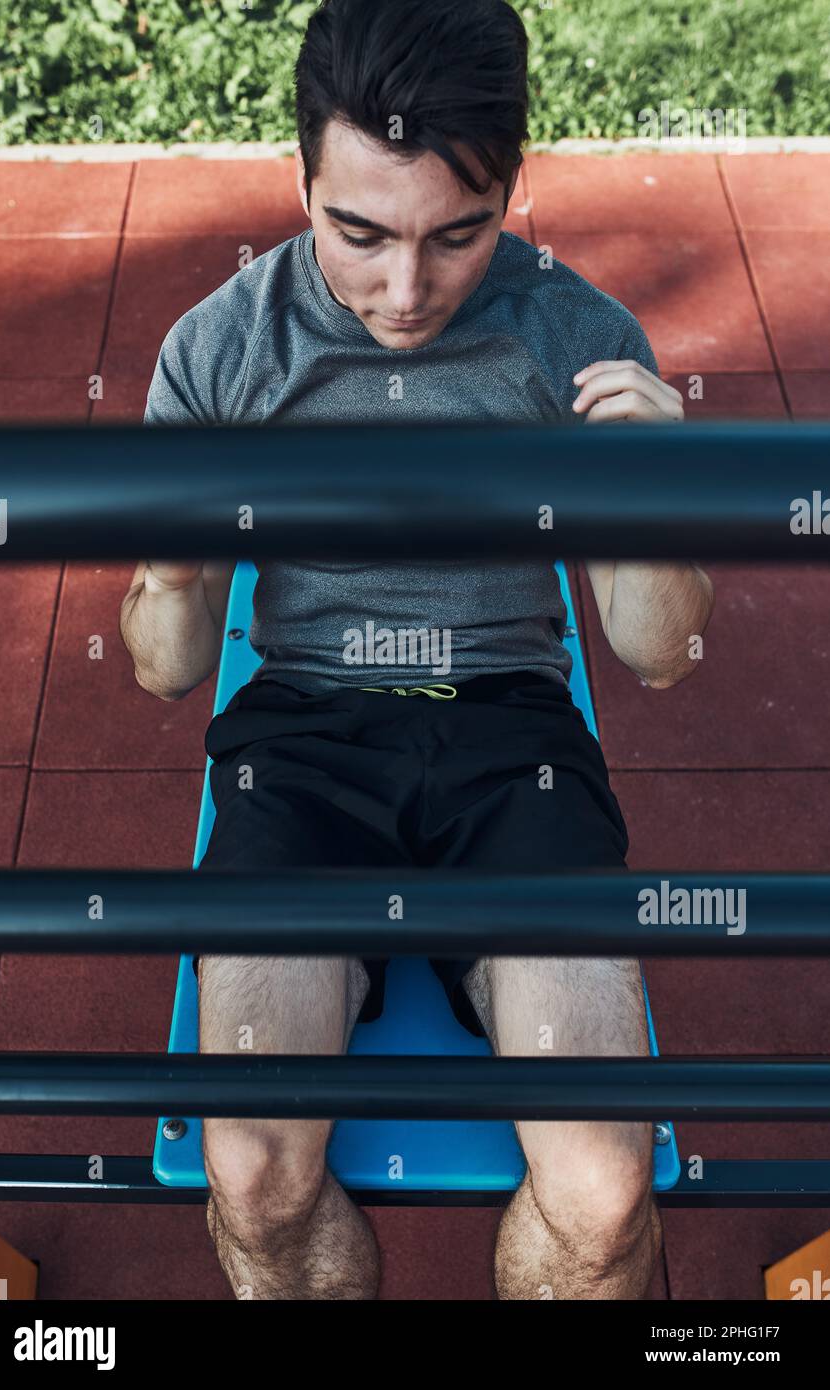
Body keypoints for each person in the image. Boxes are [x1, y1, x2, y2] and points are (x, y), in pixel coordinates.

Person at [121, 0, 714, 1300]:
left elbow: (656, 652)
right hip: (303, 742)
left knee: (605, 1194)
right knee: (256, 1178)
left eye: (456, 234)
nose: (404, 291)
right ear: (304, 183)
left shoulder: (577, 337)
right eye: (360, 234)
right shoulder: (222, 346)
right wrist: (171, 545)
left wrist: (658, 489)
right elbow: (165, 665)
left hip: (511, 743)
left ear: (509, 185)